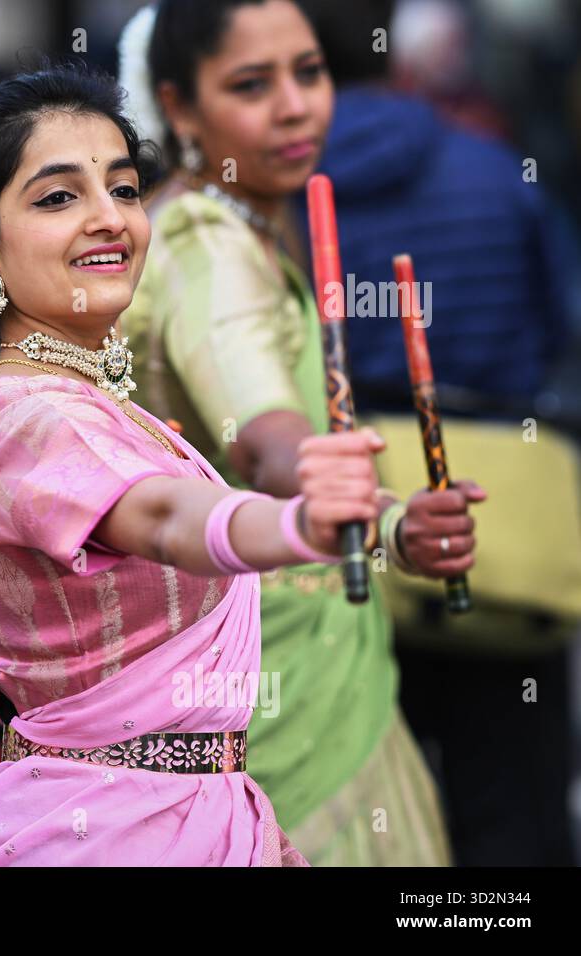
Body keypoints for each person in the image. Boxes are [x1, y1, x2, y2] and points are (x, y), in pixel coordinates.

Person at [0, 62, 395, 866]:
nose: (109, 218)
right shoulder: (25, 418)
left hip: (176, 822)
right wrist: (298, 522)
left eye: (123, 188)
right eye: (57, 197)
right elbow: (167, 518)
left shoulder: (101, 410)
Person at [118, 0, 484, 865]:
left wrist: (387, 525)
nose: (295, 107)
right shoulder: (204, 239)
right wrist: (358, 502)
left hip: (304, 660)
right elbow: (264, 438)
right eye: (252, 84)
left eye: (308, 72)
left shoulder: (238, 216)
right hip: (263, 688)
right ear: (179, 107)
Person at [298, 0, 580, 866]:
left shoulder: (275, 200)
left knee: (367, 806)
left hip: (339, 526)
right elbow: (562, 322)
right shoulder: (494, 170)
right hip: (502, 525)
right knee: (514, 798)